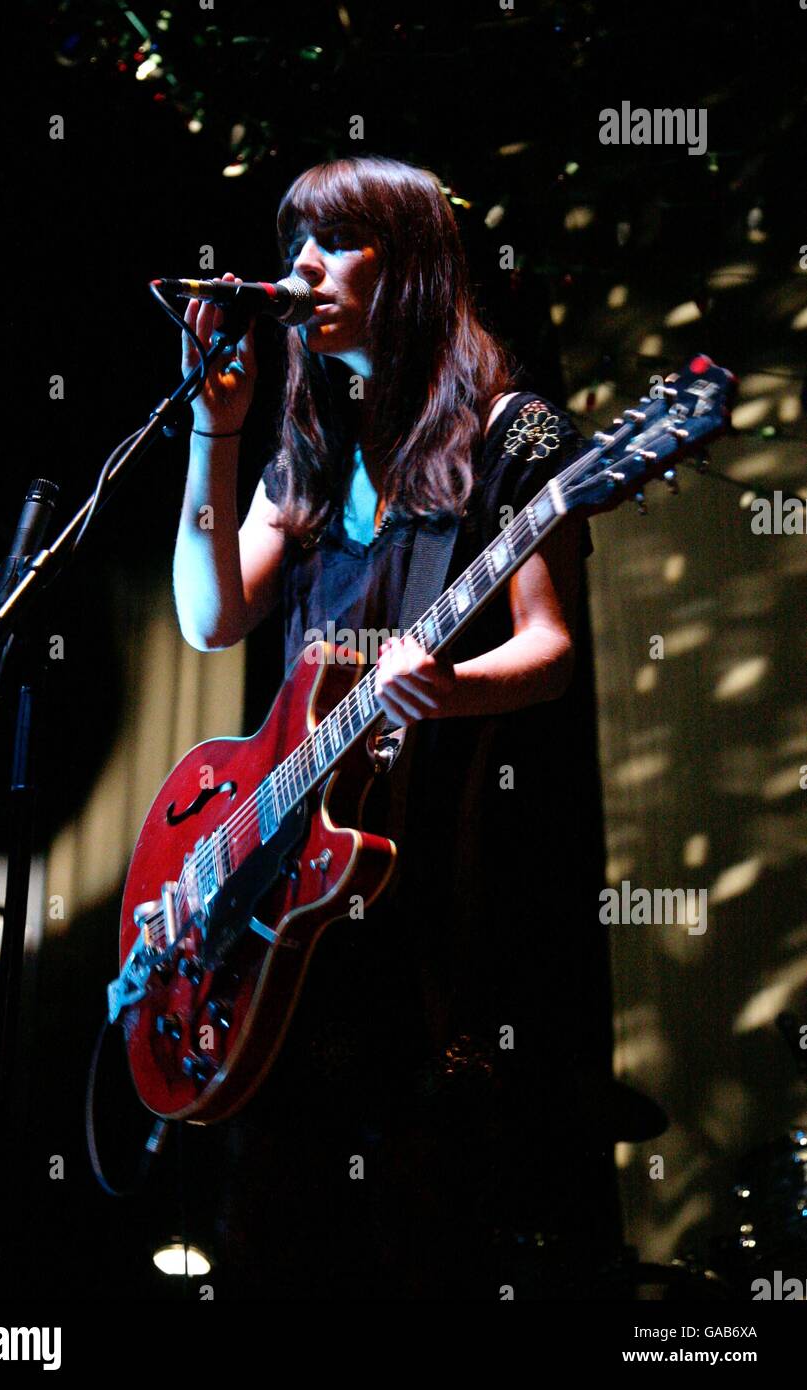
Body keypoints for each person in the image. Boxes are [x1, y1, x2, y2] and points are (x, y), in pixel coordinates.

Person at [173, 154, 619, 1299]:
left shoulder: (511, 432)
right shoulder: (314, 439)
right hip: (292, 888)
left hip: (429, 875)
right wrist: (213, 433)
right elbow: (212, 616)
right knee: (276, 1217)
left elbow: (549, 646)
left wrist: (457, 686)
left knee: (414, 1222)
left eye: (335, 243)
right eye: (293, 249)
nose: (302, 270)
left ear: (412, 262)